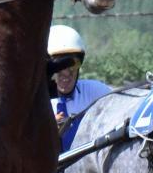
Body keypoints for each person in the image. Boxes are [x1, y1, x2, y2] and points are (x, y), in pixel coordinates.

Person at [47, 24, 112, 153]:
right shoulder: (34, 103)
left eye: (72, 68)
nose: (66, 74)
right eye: (60, 68)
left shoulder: (95, 92)